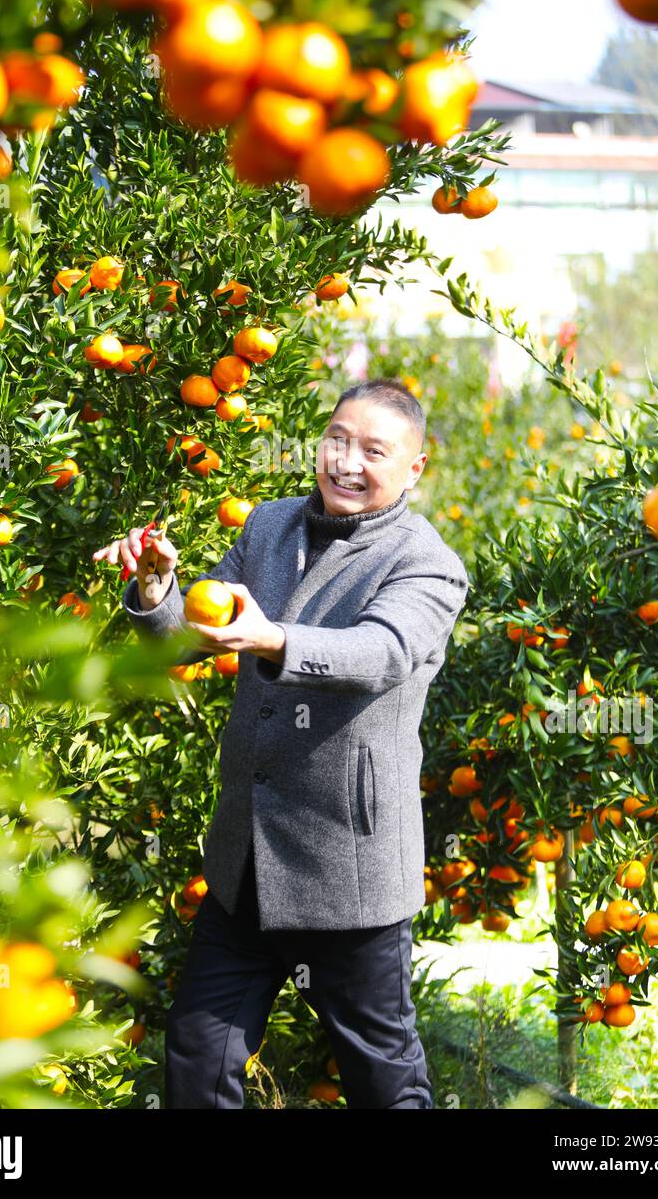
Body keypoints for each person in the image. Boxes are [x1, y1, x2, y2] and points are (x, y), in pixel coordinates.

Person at [93, 378, 469, 1108]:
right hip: (246, 868)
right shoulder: (268, 528)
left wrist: (272, 639)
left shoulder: (426, 562)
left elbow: (380, 655)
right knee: (198, 1061)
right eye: (337, 439)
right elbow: (187, 637)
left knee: (383, 1079)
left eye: (373, 450)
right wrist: (154, 590)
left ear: (414, 469)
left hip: (350, 872)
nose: (346, 461)